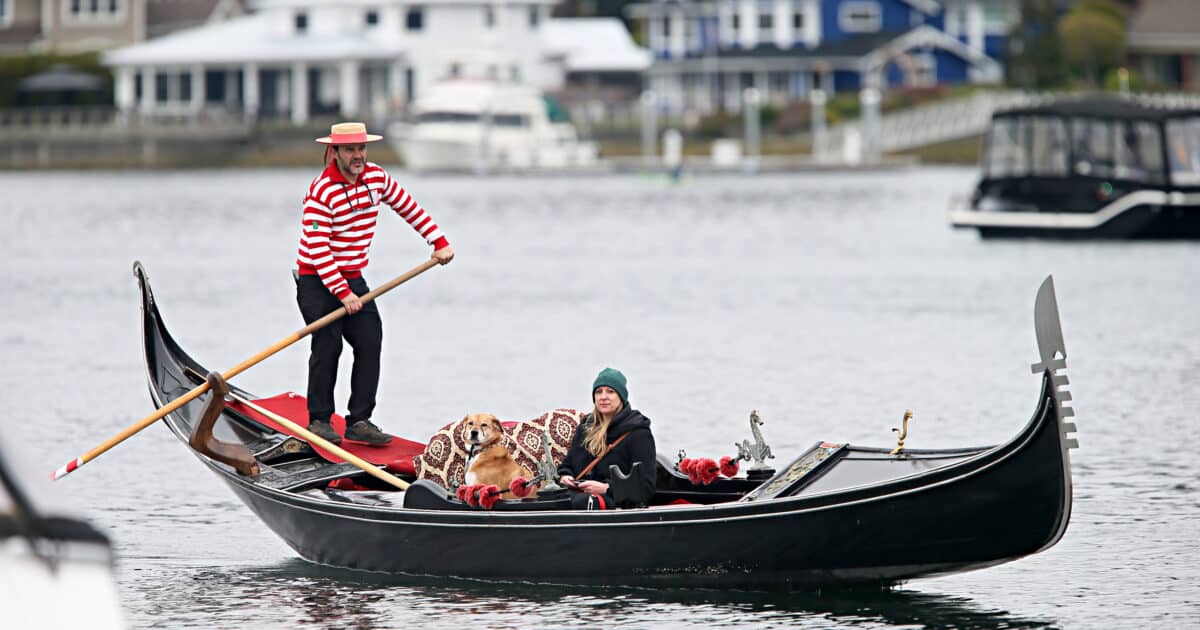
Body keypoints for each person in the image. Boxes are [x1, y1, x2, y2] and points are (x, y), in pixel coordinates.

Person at [296, 122, 455, 445]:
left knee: (370, 339)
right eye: (351, 150)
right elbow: (318, 248)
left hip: (353, 277)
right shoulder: (321, 190)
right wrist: (342, 294)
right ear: (335, 152)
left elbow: (407, 206)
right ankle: (320, 420)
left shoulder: (376, 178)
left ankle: (359, 420)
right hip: (316, 280)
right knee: (328, 345)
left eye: (361, 149)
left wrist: (437, 241)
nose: (358, 155)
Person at [557, 368, 657, 509]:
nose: (603, 397)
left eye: (610, 391)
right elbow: (567, 465)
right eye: (599, 392)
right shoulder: (585, 427)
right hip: (579, 498)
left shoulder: (638, 433)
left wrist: (606, 489)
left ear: (621, 397)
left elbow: (645, 489)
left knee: (583, 502)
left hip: (615, 505)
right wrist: (565, 476)